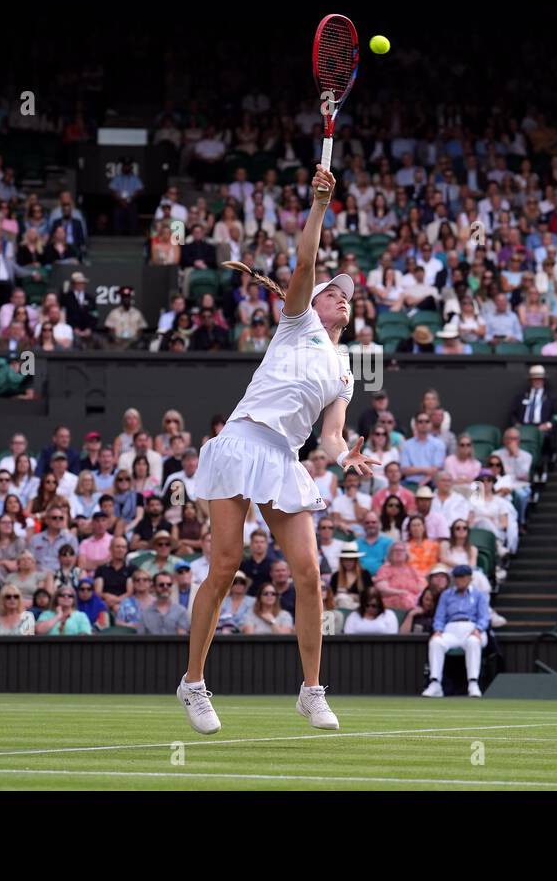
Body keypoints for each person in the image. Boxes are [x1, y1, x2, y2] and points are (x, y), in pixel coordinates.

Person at [177, 166, 375, 731]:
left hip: (283, 460)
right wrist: (319, 205)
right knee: (225, 564)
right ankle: (193, 683)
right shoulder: (296, 321)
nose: (342, 298)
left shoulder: (345, 370)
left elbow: (332, 434)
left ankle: (312, 690)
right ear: (314, 300)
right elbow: (306, 262)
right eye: (333, 291)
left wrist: (345, 456)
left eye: (347, 296)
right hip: (241, 443)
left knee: (310, 573)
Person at [421, 565, 491, 698]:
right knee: (436, 642)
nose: (459, 581)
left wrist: (478, 629)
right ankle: (435, 683)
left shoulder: (479, 595)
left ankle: (473, 683)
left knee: (473, 641)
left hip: (471, 628)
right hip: (451, 629)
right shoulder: (446, 595)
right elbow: (440, 617)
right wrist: (438, 630)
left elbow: (484, 617)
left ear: (470, 578)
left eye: (462, 577)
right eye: (457, 578)